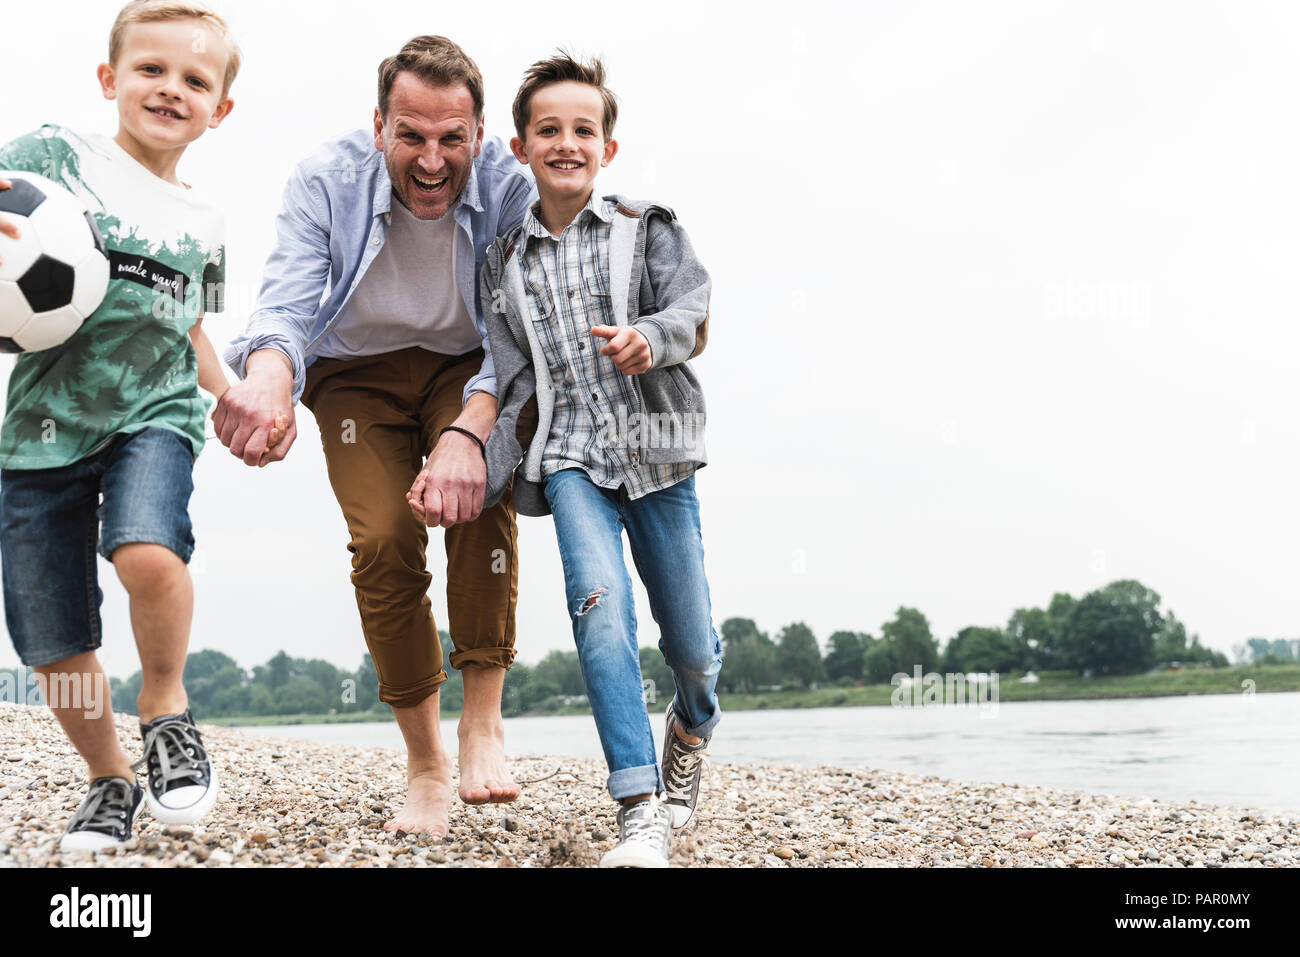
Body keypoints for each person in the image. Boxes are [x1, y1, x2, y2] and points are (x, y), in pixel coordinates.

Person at [218, 36, 534, 838]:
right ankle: (425, 762)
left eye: (451, 139)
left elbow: (527, 328)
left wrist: (470, 430)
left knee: (477, 492)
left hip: (473, 361)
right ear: (378, 127)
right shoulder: (326, 179)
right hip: (356, 372)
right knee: (385, 536)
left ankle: (482, 722)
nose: (431, 160)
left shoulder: (509, 188)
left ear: (480, 133)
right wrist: (267, 382)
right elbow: (285, 303)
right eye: (411, 136)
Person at [452, 52, 721, 867]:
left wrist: (653, 338)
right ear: (520, 146)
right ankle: (639, 809)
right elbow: (510, 377)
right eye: (548, 130)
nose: (566, 143)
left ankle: (692, 723)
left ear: (607, 147)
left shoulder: (648, 227)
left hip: (658, 454)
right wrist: (475, 468)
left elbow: (695, 310)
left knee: (694, 647)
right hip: (568, 461)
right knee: (599, 617)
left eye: (583, 129)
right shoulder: (503, 264)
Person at [0, 0, 240, 851]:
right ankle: (109, 779)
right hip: (37, 428)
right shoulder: (51, 156)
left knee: (147, 549)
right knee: (51, 644)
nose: (169, 88)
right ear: (110, 79)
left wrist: (235, 392)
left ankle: (166, 705)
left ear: (220, 107)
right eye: (151, 69)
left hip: (155, 412)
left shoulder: (208, 226)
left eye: (194, 79)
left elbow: (195, 325)